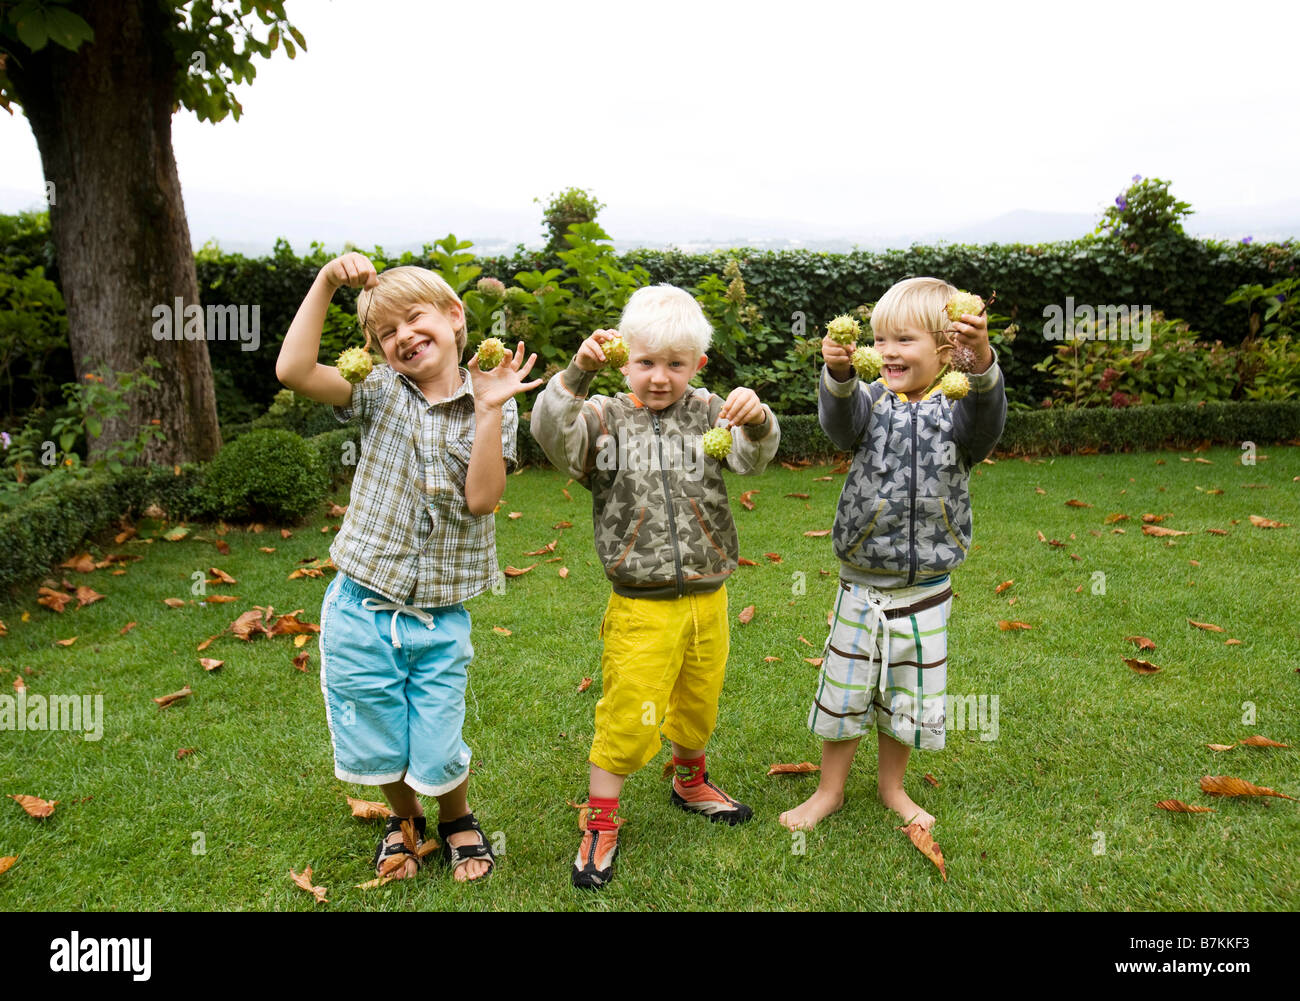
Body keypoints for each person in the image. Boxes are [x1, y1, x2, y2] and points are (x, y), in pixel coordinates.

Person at [275, 253, 540, 882]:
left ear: (454, 318)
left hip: (438, 615)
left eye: (414, 319)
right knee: (377, 732)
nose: (401, 338)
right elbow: (291, 370)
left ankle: (455, 816)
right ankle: (403, 817)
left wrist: (491, 410)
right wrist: (326, 283)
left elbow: (482, 499)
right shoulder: (377, 394)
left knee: (438, 734)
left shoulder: (491, 402)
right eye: (385, 334)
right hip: (359, 605)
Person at [530, 284, 780, 889]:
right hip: (641, 604)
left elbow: (752, 458)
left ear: (697, 363)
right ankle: (600, 819)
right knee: (630, 712)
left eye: (676, 364)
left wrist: (758, 418)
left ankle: (690, 780)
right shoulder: (602, 419)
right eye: (646, 363)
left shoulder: (712, 412)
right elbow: (548, 432)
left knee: (698, 699)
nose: (661, 378)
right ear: (624, 360)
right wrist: (577, 373)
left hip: (709, 594)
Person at [779, 277, 1006, 834]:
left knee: (906, 696)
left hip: (928, 585)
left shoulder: (959, 406)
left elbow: (987, 424)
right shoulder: (870, 402)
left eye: (903, 340)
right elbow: (839, 424)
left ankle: (891, 788)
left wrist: (981, 361)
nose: (886, 353)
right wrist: (837, 374)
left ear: (945, 349)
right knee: (847, 690)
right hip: (862, 581)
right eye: (879, 341)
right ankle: (829, 790)